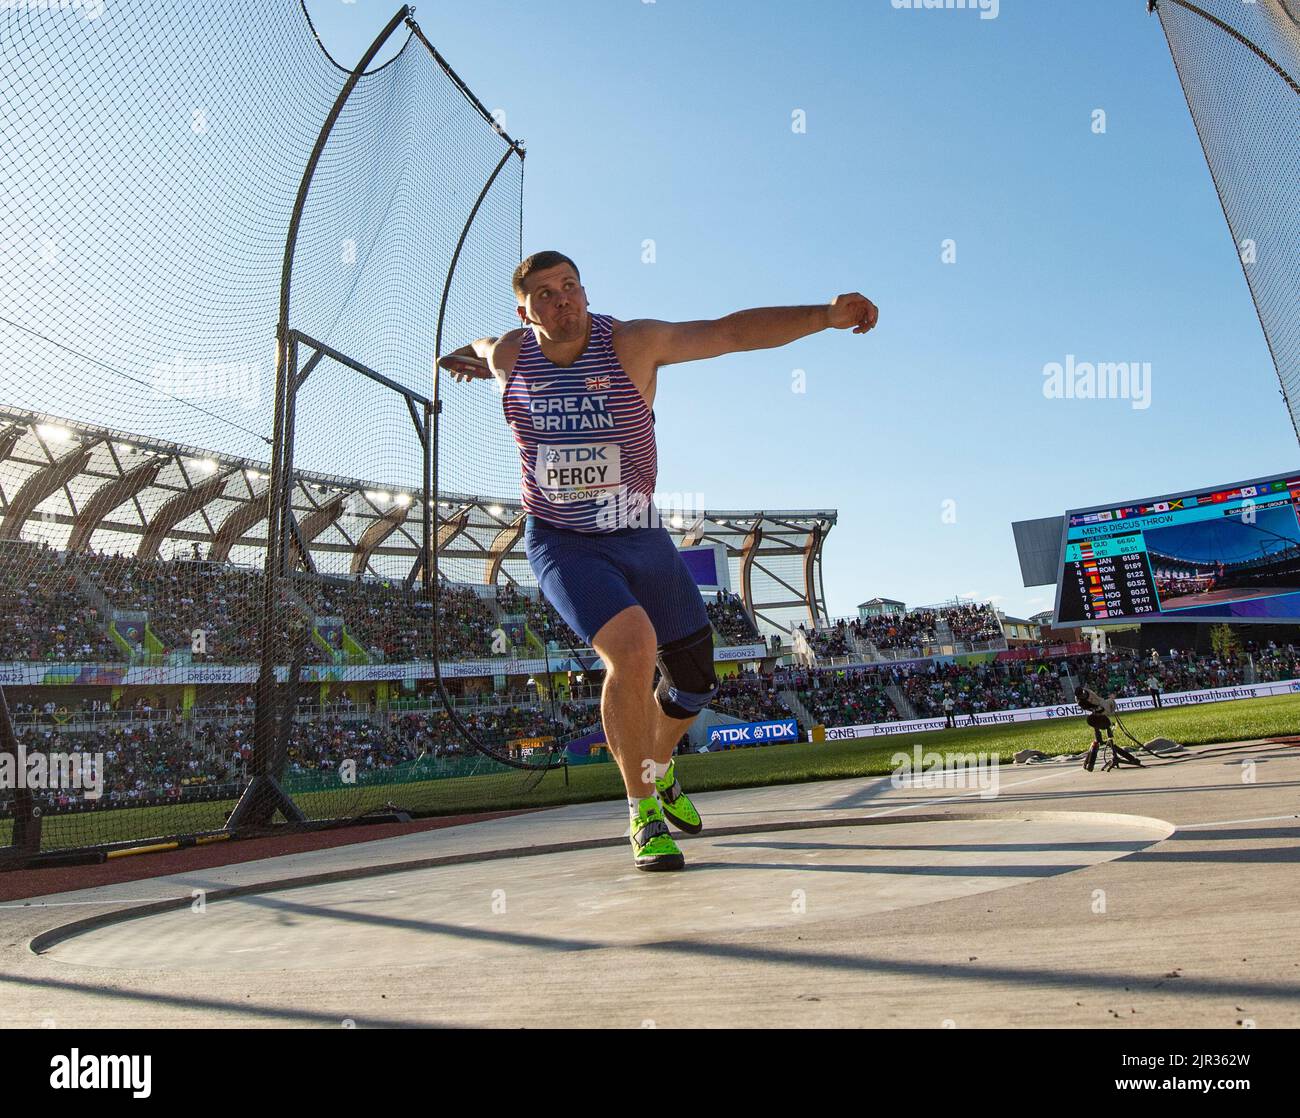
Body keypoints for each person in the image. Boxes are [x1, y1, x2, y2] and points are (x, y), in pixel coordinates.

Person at [445, 251, 878, 870]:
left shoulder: (631, 344)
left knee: (697, 679)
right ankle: (643, 813)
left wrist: (825, 316)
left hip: (636, 531)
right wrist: (468, 353)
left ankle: (659, 764)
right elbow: (486, 346)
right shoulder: (513, 355)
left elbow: (730, 332)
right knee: (632, 647)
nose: (563, 300)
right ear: (526, 309)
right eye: (545, 294)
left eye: (571, 287)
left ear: (585, 292)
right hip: (562, 539)